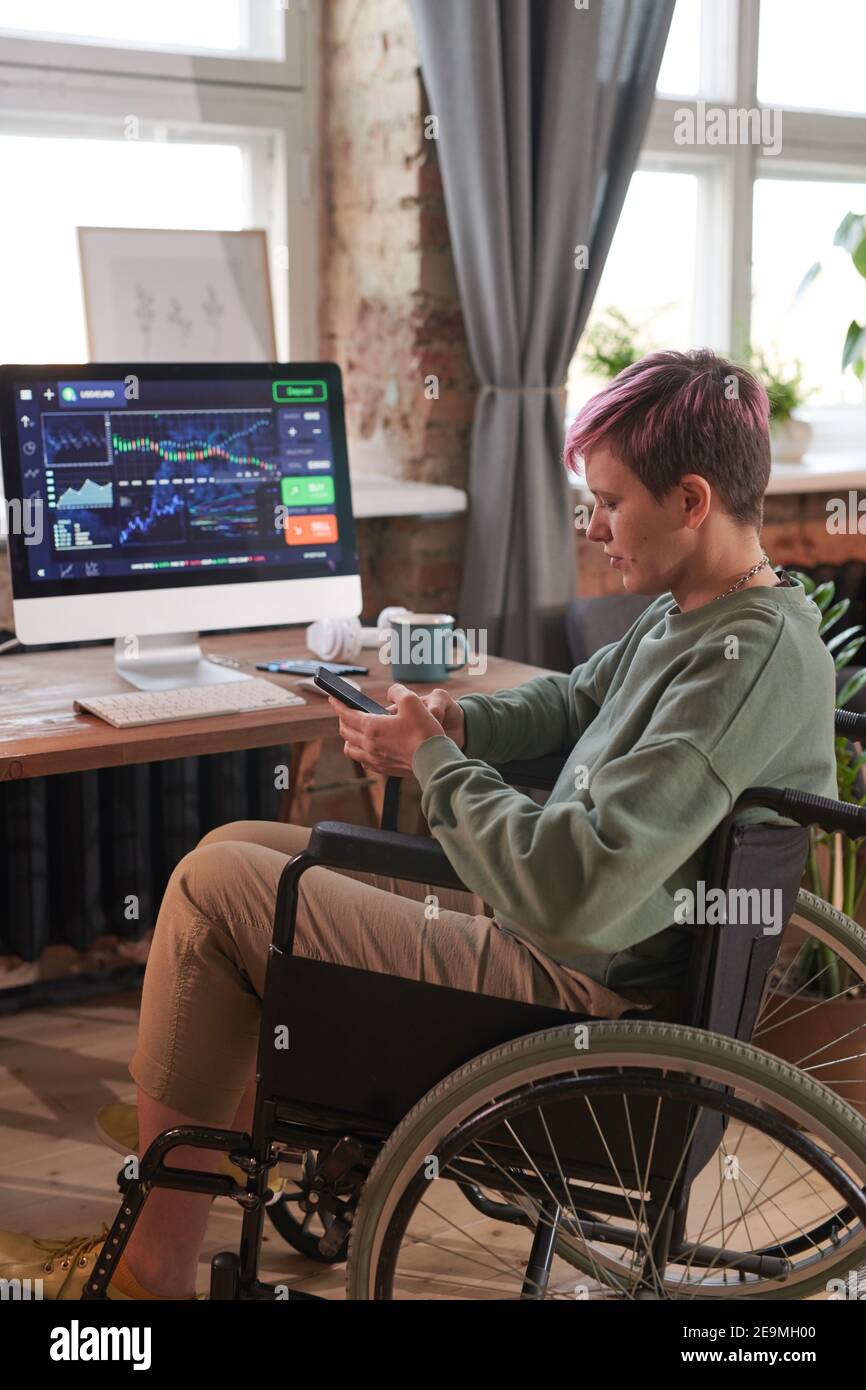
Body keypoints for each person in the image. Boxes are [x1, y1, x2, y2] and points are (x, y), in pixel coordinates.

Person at [0, 348, 839, 1298]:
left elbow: (577, 891)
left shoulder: (738, 660)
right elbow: (571, 703)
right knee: (233, 847)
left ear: (692, 501)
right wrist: (455, 718)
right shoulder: (702, 611)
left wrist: (431, 767)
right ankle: (201, 1146)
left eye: (610, 501)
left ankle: (153, 1268)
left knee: (212, 891)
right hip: (541, 930)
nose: (593, 524)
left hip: (578, 989)